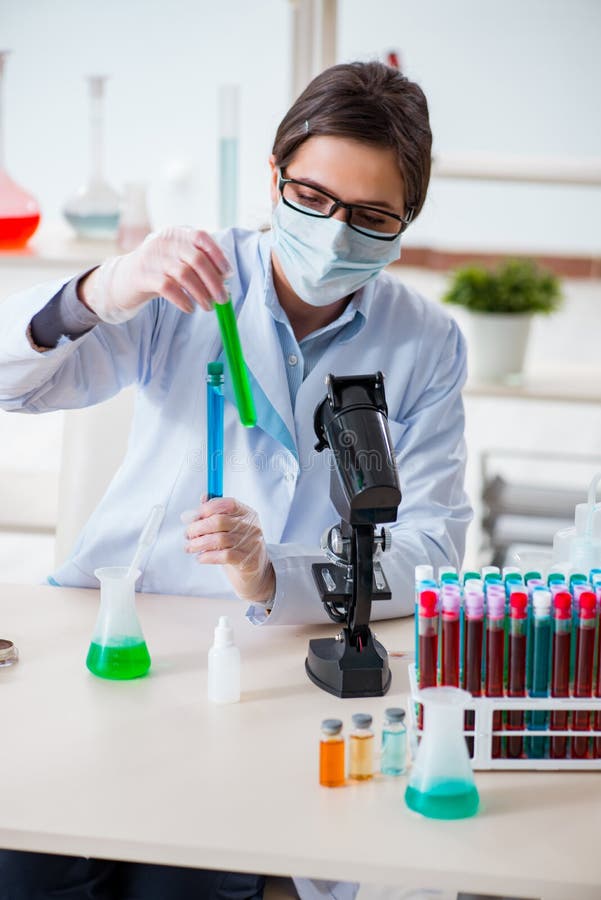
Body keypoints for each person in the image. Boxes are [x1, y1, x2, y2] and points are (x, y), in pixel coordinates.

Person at [0, 62, 471, 899]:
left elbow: (429, 550)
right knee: (23, 857)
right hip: (124, 636)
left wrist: (271, 576)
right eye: (313, 198)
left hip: (267, 674)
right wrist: (100, 290)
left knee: (188, 881)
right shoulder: (187, 278)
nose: (332, 234)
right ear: (274, 177)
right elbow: (13, 383)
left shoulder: (424, 343)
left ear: (407, 222)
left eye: (368, 216)